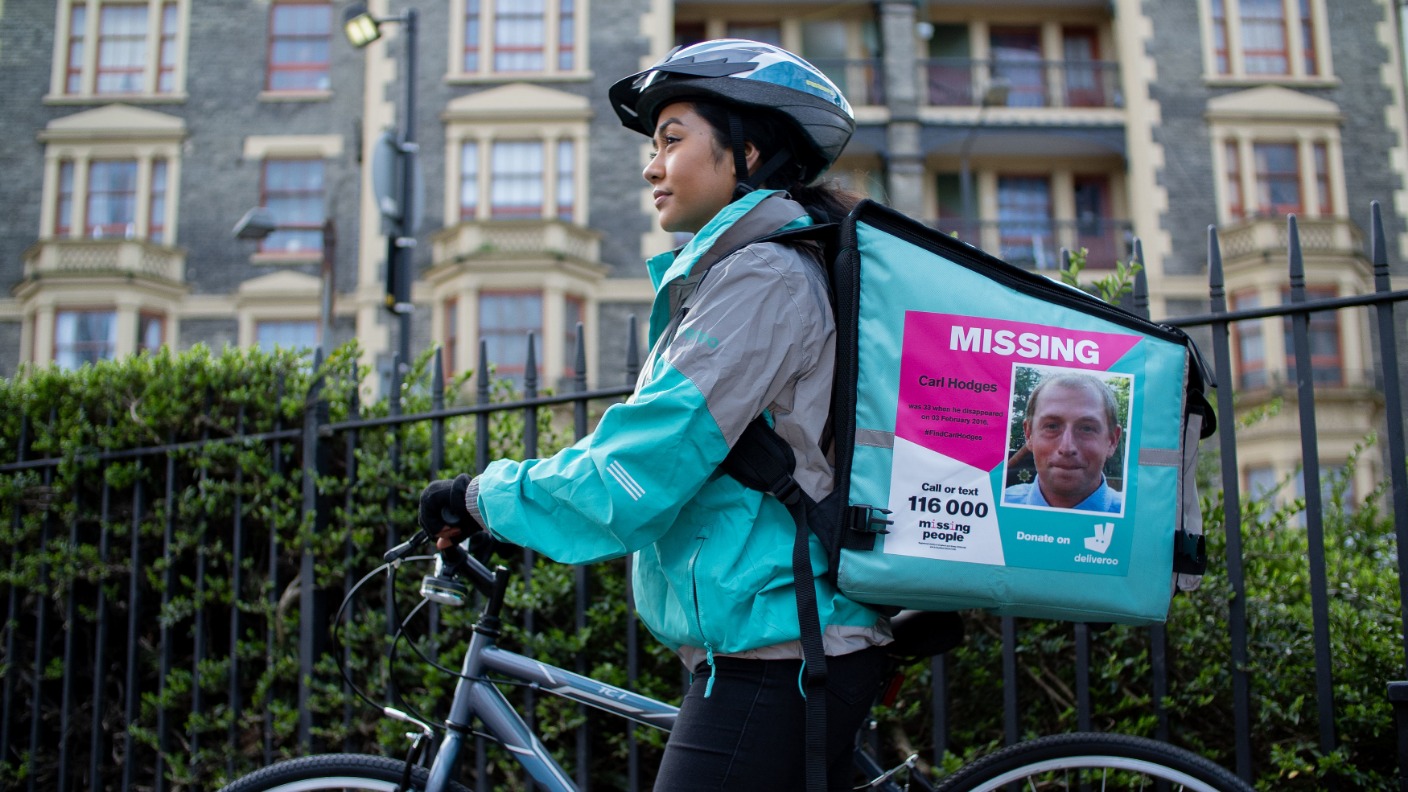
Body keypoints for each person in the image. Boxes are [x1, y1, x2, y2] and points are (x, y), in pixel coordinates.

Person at [418, 39, 891, 791]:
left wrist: (481, 496)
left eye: (673, 140)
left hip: (780, 650)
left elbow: (638, 468)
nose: (651, 166)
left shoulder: (761, 277)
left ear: (749, 151)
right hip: (777, 638)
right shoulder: (749, 272)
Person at [1003, 372, 1124, 512]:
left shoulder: (1140, 520)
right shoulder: (992, 507)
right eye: (1052, 426)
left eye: (1086, 428)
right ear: (1029, 434)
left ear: (1112, 440)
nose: (1067, 447)